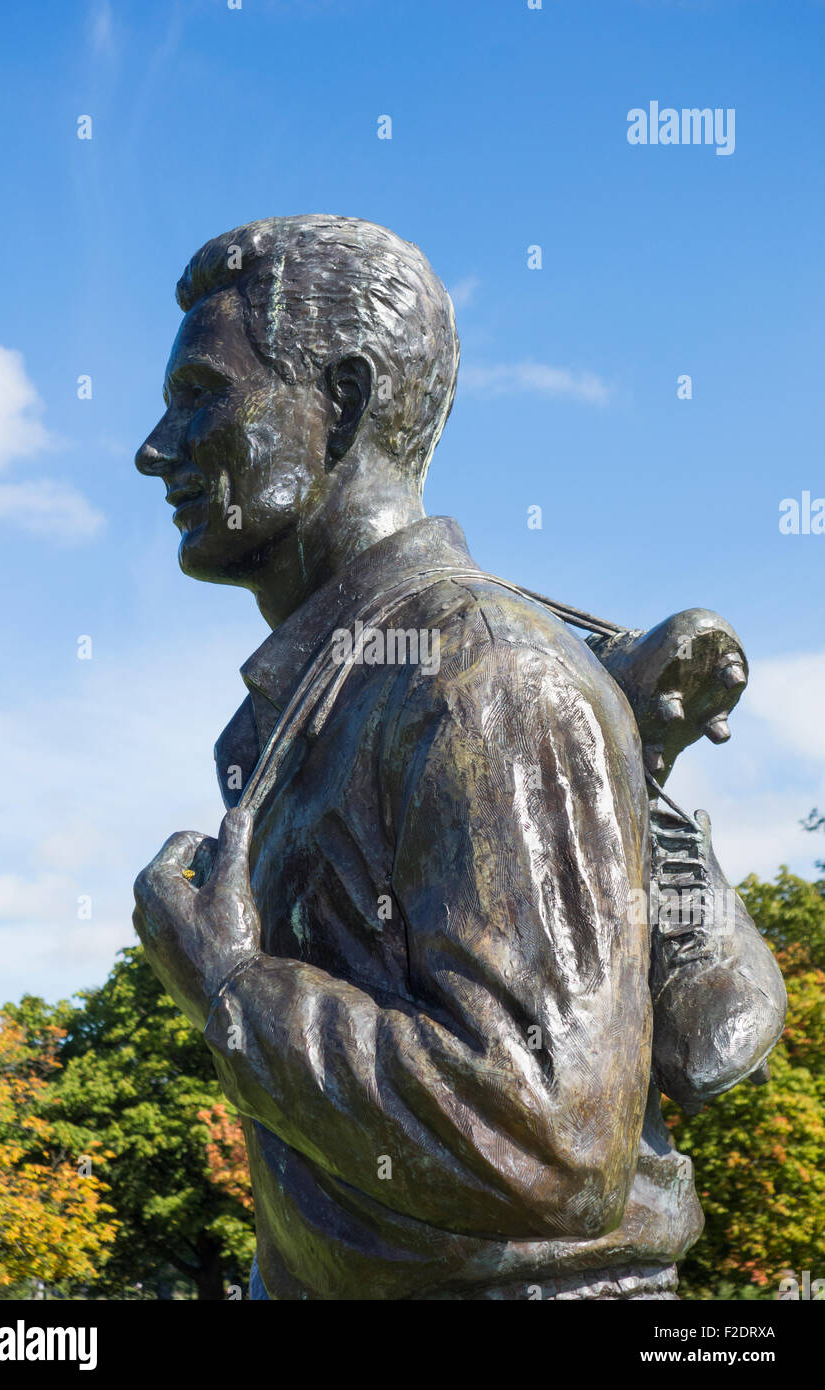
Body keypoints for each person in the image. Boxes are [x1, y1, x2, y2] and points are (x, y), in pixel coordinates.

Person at [132, 215, 784, 1299]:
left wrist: (231, 987)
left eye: (203, 394)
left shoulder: (478, 671)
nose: (157, 447)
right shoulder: (341, 686)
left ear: (340, 404)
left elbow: (550, 1136)